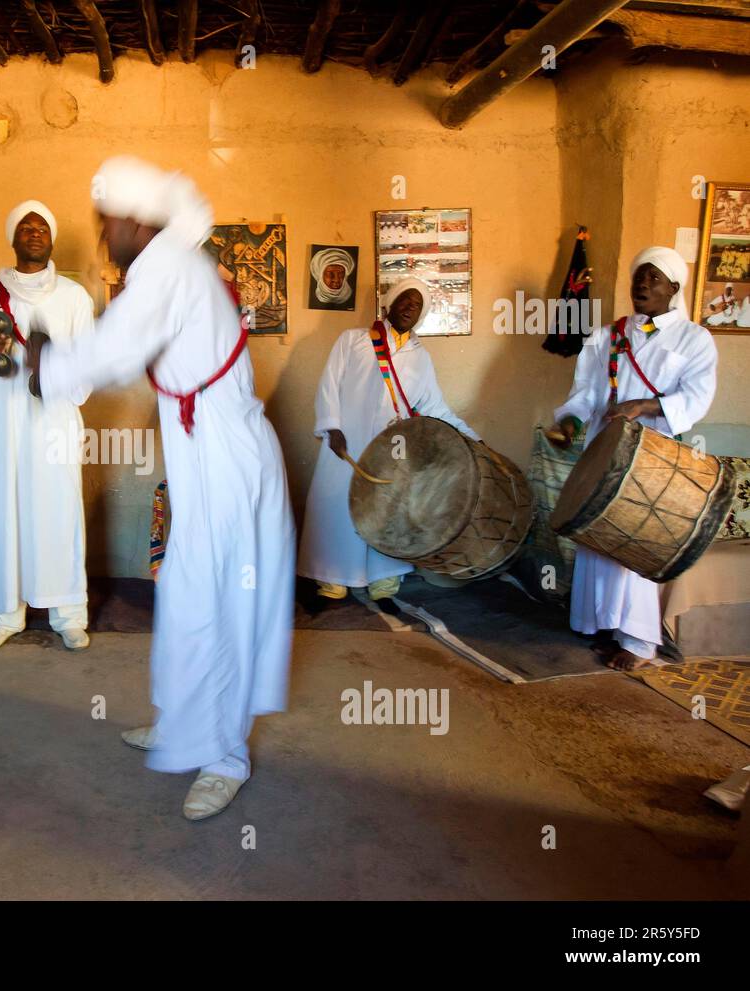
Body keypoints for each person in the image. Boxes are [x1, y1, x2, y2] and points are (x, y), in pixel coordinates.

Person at [27, 156, 294, 821]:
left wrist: (47, 365)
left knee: (223, 600)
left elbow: (113, 350)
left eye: (106, 220)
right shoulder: (165, 267)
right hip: (205, 449)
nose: (100, 234)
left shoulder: (168, 267)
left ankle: (225, 754)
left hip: (226, 458)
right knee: (184, 588)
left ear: (136, 221)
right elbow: (123, 344)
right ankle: (184, 721)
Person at [547, 246, 718, 670]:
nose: (642, 285)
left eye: (653, 279)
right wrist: (569, 423)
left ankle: (640, 643)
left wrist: (644, 406)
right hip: (606, 450)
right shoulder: (608, 335)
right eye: (639, 277)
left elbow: (696, 398)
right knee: (599, 540)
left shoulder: (694, 338)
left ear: (673, 289)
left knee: (634, 538)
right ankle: (606, 626)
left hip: (654, 455)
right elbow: (587, 393)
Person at [297, 277, 480, 602]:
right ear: (389, 304)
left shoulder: (420, 358)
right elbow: (329, 385)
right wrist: (331, 426)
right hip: (347, 442)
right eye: (405, 300)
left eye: (417, 304)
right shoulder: (352, 340)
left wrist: (470, 436)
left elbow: (433, 406)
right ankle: (334, 574)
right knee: (338, 502)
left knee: (385, 508)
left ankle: (384, 576)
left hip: (391, 449)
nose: (410, 307)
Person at [0, 200, 95, 653]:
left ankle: (68, 614)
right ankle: (6, 614)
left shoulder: (74, 297)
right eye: (26, 227)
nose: (34, 233)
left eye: (42, 226)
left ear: (52, 238)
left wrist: (51, 363)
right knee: (6, 510)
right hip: (3, 417)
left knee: (60, 509)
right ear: (13, 237)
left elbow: (87, 370)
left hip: (55, 417)